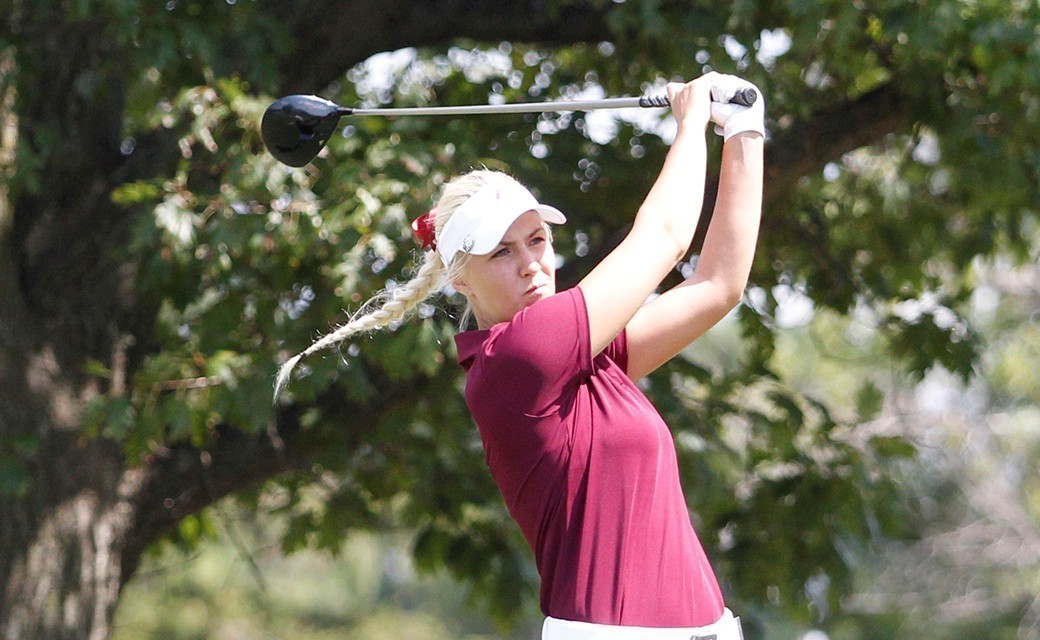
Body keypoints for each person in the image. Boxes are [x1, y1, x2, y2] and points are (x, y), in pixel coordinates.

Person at [274, 71, 764, 640]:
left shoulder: (584, 358)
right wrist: (692, 120)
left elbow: (718, 284)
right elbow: (665, 238)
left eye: (537, 240)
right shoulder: (519, 357)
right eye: (501, 252)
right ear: (460, 278)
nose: (531, 264)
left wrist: (744, 130)